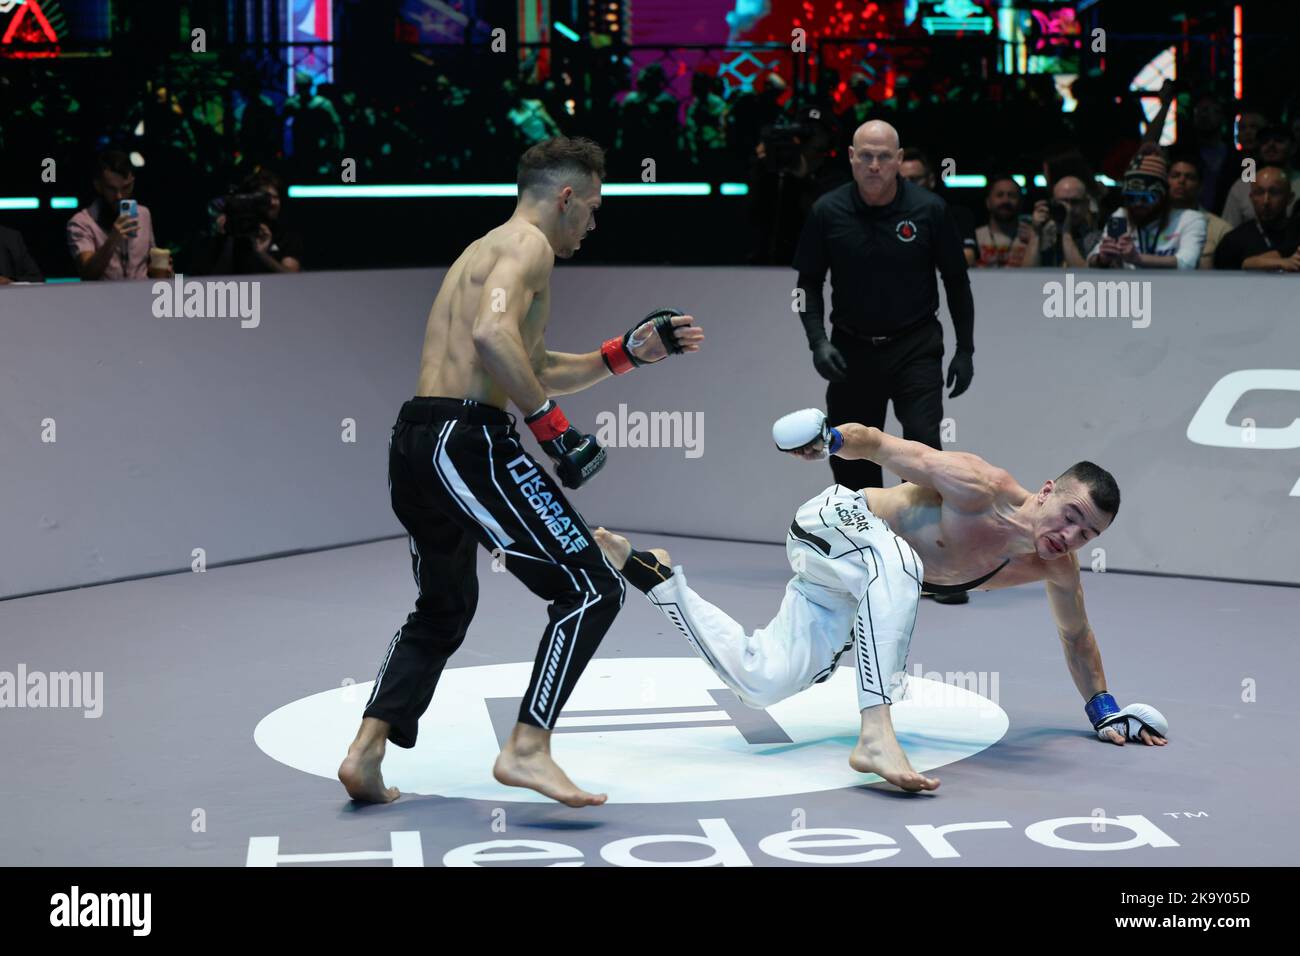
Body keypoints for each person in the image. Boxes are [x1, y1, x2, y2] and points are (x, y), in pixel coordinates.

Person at [338, 137, 705, 807]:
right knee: (593, 586)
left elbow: (524, 360)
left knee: (444, 605)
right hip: (464, 440)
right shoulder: (528, 246)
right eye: (591, 210)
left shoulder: (485, 249)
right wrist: (551, 428)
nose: (593, 225)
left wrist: (627, 353)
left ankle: (364, 754)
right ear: (565, 198)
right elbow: (492, 338)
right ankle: (528, 748)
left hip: (417, 440)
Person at [592, 408, 1169, 793]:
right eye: (1071, 516)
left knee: (762, 681)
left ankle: (654, 576)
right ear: (1047, 492)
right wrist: (831, 442)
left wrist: (1102, 709)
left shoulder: (1055, 567)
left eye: (1087, 534)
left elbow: (1076, 637)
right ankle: (875, 735)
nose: (1071, 537)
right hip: (833, 523)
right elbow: (885, 445)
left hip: (848, 581)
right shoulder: (978, 486)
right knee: (900, 563)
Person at [793, 120, 974, 604]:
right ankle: (866, 563)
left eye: (884, 157)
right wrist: (816, 342)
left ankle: (935, 566)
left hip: (916, 344)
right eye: (865, 156)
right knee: (850, 455)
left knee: (923, 451)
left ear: (898, 159)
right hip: (850, 349)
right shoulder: (826, 212)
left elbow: (957, 281)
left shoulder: (929, 210)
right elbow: (807, 284)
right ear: (851, 156)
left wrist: (966, 348)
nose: (874, 165)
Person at [66, 150, 173, 281]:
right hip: (103, 300)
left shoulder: (143, 214)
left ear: (133, 182)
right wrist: (112, 239)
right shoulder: (81, 222)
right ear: (98, 186)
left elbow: (148, 267)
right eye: (111, 189)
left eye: (126, 187)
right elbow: (87, 274)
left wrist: (161, 269)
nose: (119, 196)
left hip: (141, 298)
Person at [1088, 153, 1206, 270]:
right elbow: (1092, 258)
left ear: (1163, 196)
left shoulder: (1189, 219)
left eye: (1147, 198)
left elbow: (1186, 263)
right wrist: (1102, 259)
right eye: (1131, 198)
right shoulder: (1121, 216)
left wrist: (1137, 258)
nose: (1138, 204)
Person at [1213, 165, 1300, 271]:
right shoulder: (1233, 241)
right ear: (1251, 198)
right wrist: (1281, 263)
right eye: (1259, 193)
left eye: (1274, 192)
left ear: (1290, 198)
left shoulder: (1296, 231)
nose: (1266, 201)